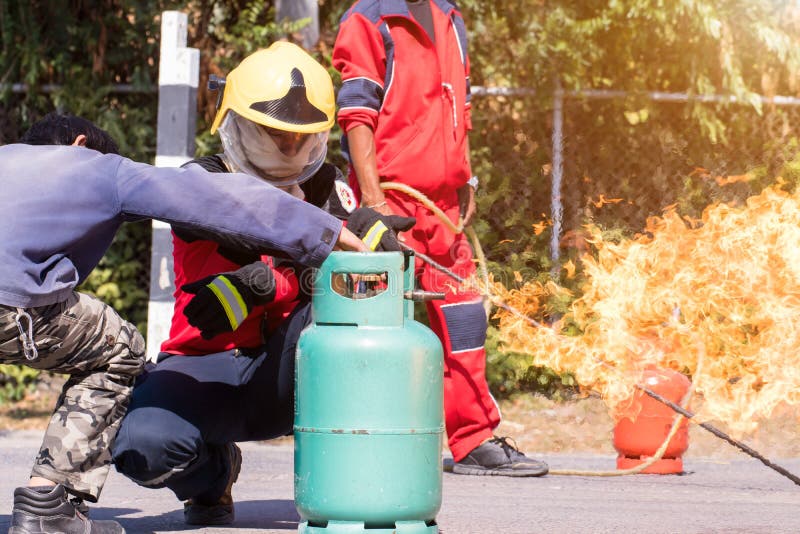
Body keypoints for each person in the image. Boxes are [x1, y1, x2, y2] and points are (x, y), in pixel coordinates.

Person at [1, 111, 367, 534]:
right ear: (80, 145)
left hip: (266, 369)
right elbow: (208, 198)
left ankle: (211, 474)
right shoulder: (99, 167)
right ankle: (47, 505)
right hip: (14, 303)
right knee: (118, 349)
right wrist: (324, 231)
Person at [111, 42, 414, 527]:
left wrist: (370, 242)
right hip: (204, 365)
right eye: (274, 134)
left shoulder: (324, 183)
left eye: (301, 138)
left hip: (289, 369)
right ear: (236, 124)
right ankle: (212, 476)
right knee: (141, 445)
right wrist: (288, 265)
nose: (289, 149)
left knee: (346, 313)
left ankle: (355, 492)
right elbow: (247, 220)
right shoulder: (198, 182)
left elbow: (339, 282)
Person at [333, 0, 549, 476]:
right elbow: (356, 116)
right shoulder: (368, 18)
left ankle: (474, 440)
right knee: (377, 327)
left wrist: (464, 177)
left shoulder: (451, 19)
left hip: (443, 208)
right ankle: (368, 440)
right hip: (389, 204)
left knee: (465, 319)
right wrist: (374, 203)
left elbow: (459, 106)